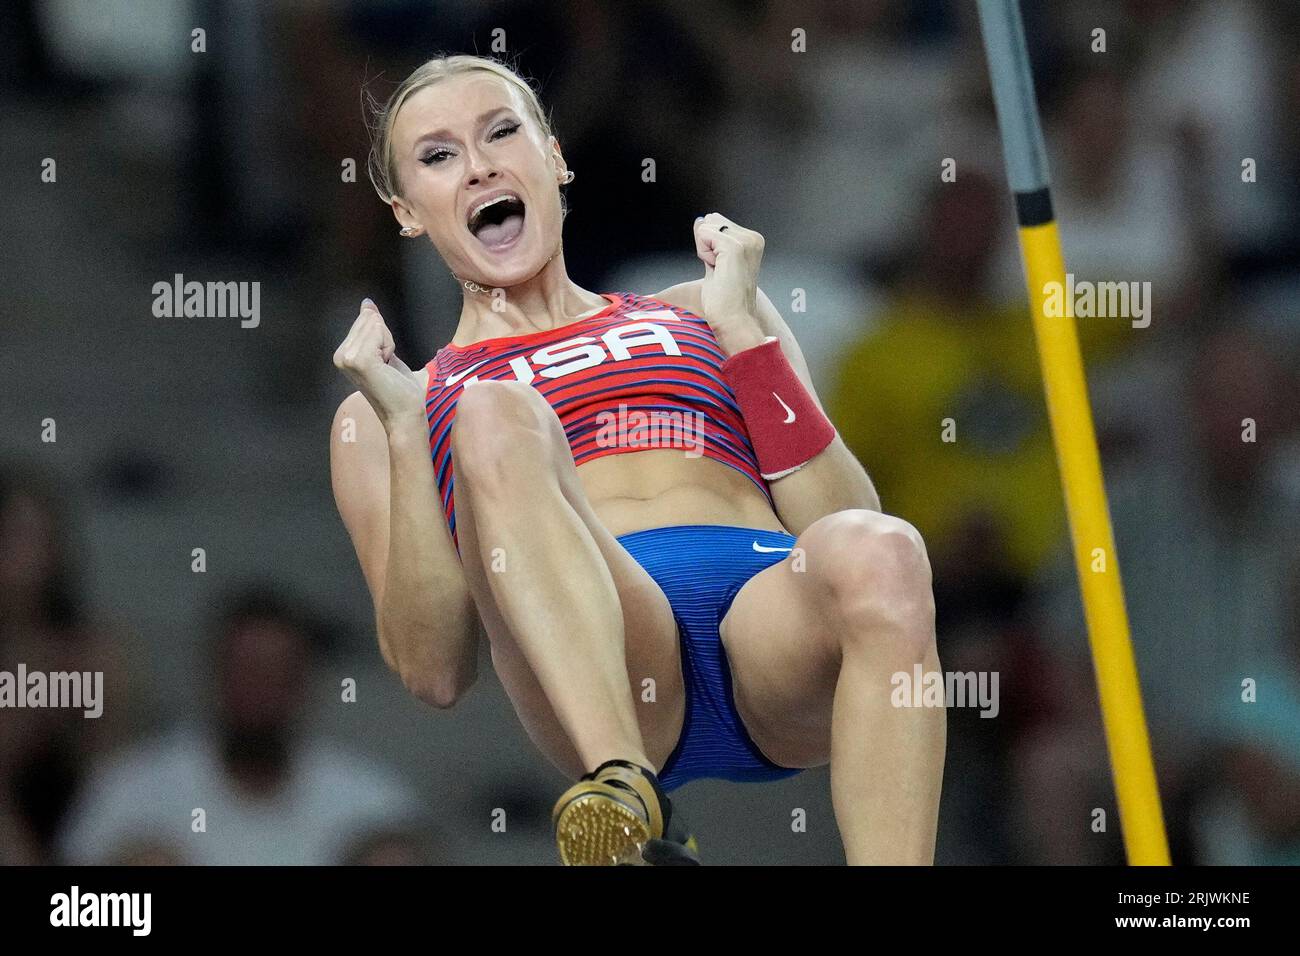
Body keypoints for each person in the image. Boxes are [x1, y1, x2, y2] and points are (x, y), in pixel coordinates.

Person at [330, 54, 945, 865]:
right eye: (439, 157)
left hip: (773, 628)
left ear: (554, 158)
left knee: (888, 548)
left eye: (501, 132)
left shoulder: (701, 308)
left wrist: (745, 340)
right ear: (408, 211)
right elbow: (434, 672)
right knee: (489, 411)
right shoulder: (391, 406)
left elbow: (843, 527)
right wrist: (412, 431)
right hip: (617, 654)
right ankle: (625, 795)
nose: (479, 167)